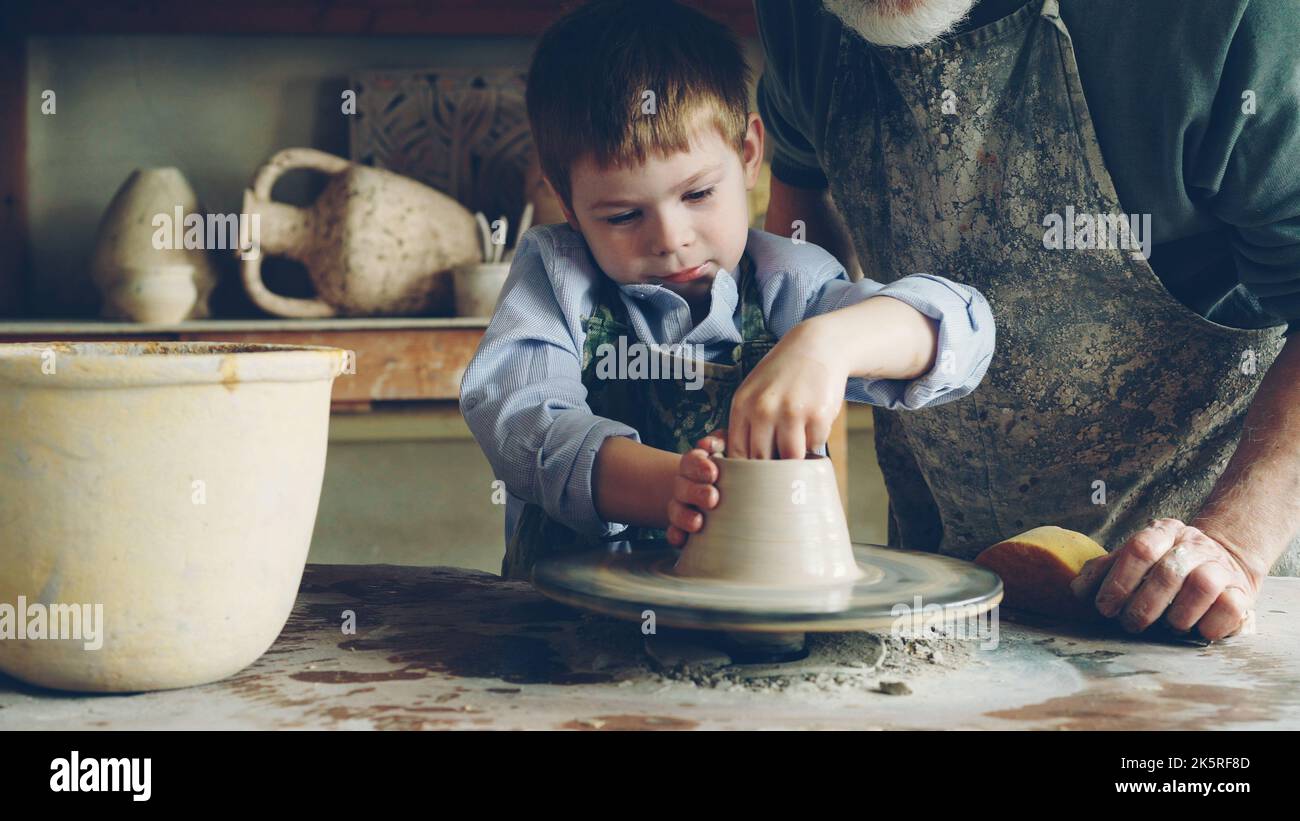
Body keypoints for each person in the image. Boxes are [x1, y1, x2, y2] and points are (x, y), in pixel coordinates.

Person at [753, 0, 1300, 639]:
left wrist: (1231, 543)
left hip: (1198, 592)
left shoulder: (1224, 19)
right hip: (936, 580)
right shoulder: (802, 13)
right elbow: (802, 246)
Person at [459, 0, 996, 580]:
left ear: (747, 157)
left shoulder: (785, 282)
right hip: (563, 623)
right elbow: (521, 422)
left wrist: (828, 346)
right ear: (567, 205)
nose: (671, 240)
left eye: (696, 196)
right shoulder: (555, 277)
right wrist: (669, 489)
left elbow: (964, 329)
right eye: (622, 216)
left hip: (752, 620)